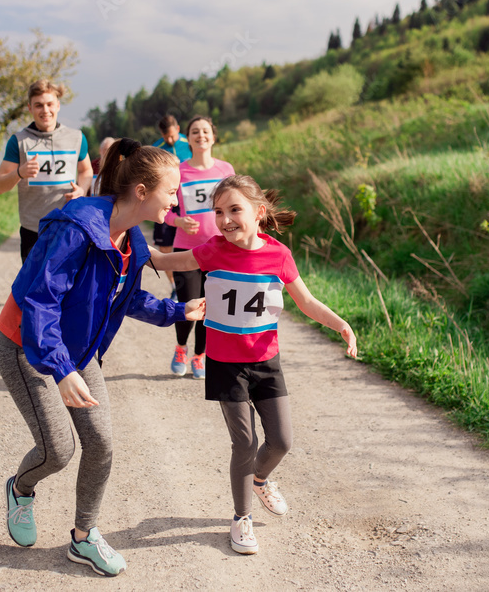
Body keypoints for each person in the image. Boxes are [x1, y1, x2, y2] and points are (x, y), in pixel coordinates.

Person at [0, 138, 205, 577]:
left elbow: (125, 297)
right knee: (59, 450)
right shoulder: (76, 227)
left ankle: (83, 537)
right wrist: (62, 368)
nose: (176, 199)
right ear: (143, 191)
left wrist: (176, 311)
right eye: (172, 190)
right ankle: (21, 488)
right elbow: (39, 302)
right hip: (26, 345)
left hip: (75, 347)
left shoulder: (131, 237)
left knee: (102, 444)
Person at [150, 174, 358, 555]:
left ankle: (260, 480)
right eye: (218, 212)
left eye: (234, 210)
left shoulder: (278, 255)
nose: (225, 219)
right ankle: (241, 517)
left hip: (265, 362)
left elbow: (307, 303)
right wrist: (126, 239)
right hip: (225, 363)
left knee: (281, 441)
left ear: (259, 213)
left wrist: (341, 324)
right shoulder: (212, 250)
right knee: (244, 442)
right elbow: (164, 259)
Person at [163, 115, 235, 380]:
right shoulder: (179, 171)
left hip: (220, 251)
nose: (201, 135)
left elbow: (236, 206)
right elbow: (165, 210)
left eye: (205, 131)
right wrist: (178, 220)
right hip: (186, 251)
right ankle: (181, 347)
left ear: (213, 137)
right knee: (187, 306)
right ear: (188, 138)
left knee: (211, 308)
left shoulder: (226, 170)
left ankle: (199, 355)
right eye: (195, 131)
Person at [0, 79, 94, 262]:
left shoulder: (76, 137)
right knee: (33, 288)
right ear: (30, 108)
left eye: (49, 104)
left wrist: (82, 189)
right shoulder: (19, 141)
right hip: (33, 229)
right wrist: (20, 173)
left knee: (68, 287)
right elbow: (0, 186)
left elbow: (86, 171)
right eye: (38, 105)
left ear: (58, 105)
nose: (45, 110)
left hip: (69, 225)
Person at [152, 115, 192, 298]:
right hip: (167, 201)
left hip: (188, 200)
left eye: (172, 135)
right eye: (165, 136)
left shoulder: (189, 142)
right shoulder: (157, 148)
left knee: (189, 242)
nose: (169, 140)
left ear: (178, 128)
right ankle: (175, 286)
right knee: (166, 248)